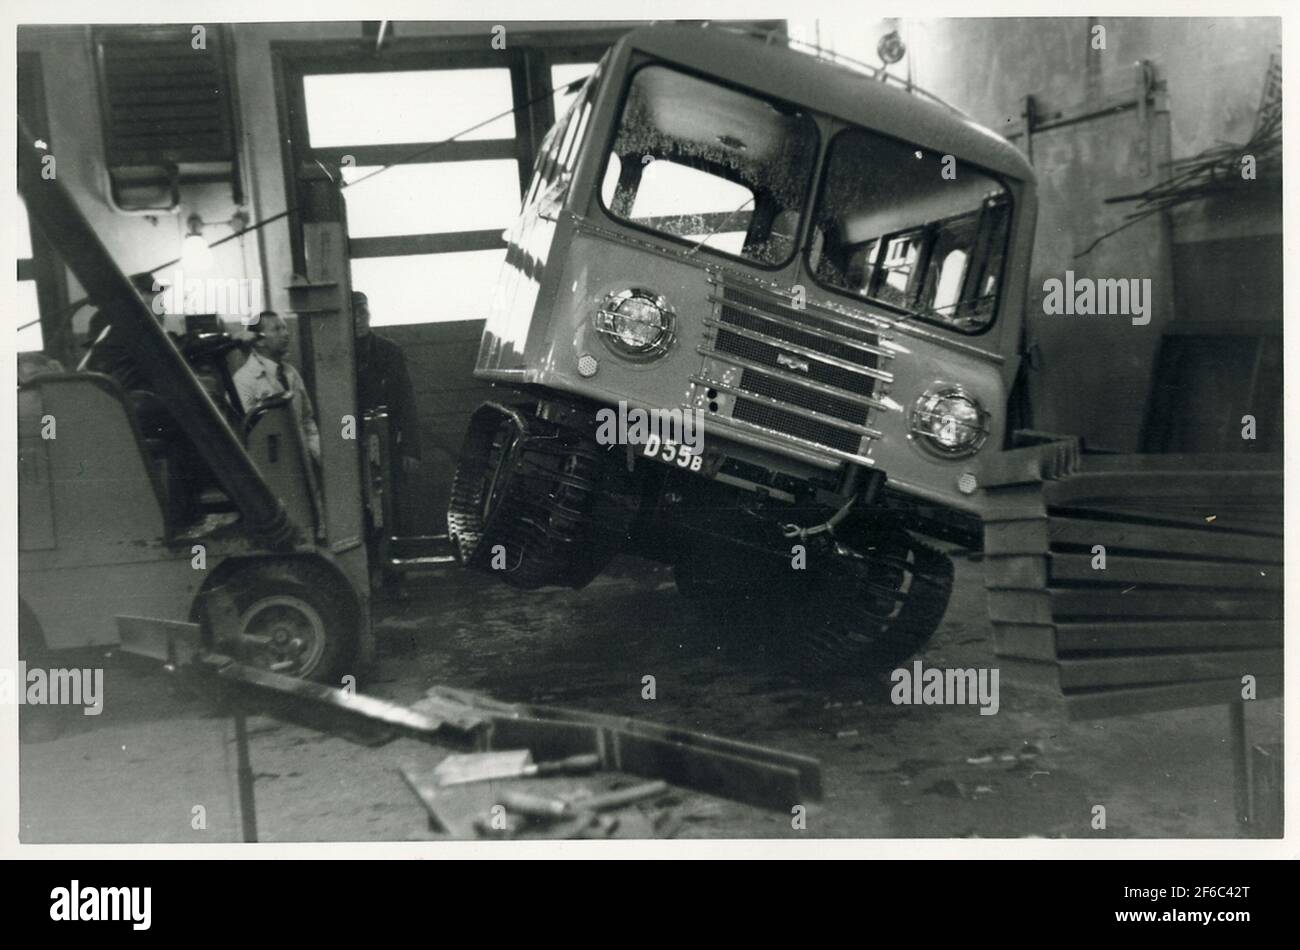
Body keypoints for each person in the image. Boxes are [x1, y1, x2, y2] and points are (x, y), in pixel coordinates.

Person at [233, 311, 321, 463]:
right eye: (277, 329)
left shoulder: (291, 373)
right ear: (259, 340)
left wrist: (317, 456)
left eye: (285, 328)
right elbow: (249, 432)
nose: (286, 334)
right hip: (271, 466)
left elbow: (307, 419)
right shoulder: (243, 380)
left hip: (303, 464)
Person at [353, 291, 421, 477]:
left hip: (389, 440)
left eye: (362, 313)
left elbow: (406, 402)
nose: (358, 320)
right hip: (355, 440)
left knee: (390, 497)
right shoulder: (338, 357)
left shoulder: (390, 352)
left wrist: (410, 448)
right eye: (353, 315)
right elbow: (343, 409)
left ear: (369, 314)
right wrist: (348, 446)